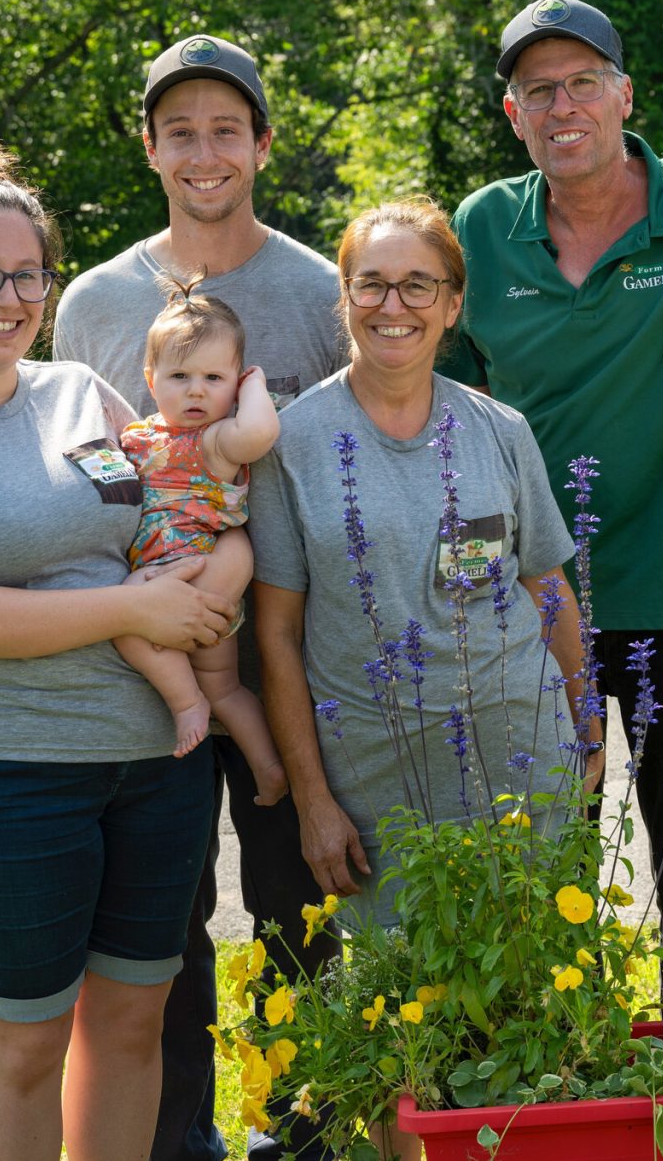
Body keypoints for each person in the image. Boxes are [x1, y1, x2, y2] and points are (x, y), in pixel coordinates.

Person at [0, 129, 235, 1161]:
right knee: (22, 1047)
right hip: (3, 777)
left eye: (28, 275)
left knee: (131, 1026)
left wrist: (207, 580)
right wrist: (130, 612)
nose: (7, 297)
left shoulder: (79, 394)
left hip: (154, 768)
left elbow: (174, 507)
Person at [443, 0, 663, 1044]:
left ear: (622, 93)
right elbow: (445, 420)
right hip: (526, 611)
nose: (561, 107)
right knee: (538, 868)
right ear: (512, 116)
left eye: (581, 83)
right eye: (535, 90)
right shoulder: (483, 230)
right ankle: (551, 1084)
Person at [53, 33, 345, 1161]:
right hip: (144, 652)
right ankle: (177, 1138)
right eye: (180, 130)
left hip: (285, 651)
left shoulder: (318, 290)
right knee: (159, 926)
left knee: (294, 912)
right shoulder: (90, 302)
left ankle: (301, 1127)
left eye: (227, 128)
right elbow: (73, 465)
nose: (204, 151)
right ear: (149, 148)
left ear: (263, 144)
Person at [252, 198, 599, 926]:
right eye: (370, 283)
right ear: (343, 297)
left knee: (535, 1001)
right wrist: (313, 800)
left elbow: (547, 584)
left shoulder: (500, 430)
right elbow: (278, 637)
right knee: (407, 1006)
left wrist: (587, 723)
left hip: (521, 757)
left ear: (453, 304)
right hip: (379, 778)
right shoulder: (292, 444)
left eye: (419, 284)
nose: (393, 305)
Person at [111, 275, 285, 802]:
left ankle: (190, 706)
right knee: (225, 687)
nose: (196, 390)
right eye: (180, 375)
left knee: (132, 634)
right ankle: (268, 770)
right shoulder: (140, 436)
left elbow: (259, 434)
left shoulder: (215, 441)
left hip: (207, 579)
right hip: (161, 581)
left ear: (235, 383)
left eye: (215, 376)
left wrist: (253, 387)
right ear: (151, 378)